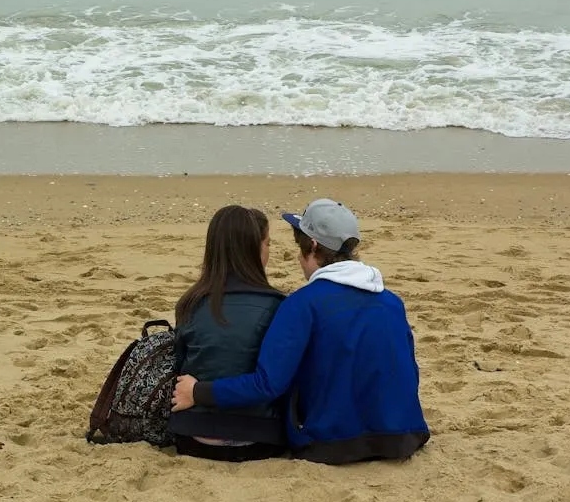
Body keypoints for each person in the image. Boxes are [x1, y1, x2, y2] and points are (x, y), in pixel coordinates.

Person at [171, 198, 430, 465]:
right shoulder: (392, 302)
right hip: (403, 437)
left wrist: (199, 392)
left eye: (299, 246)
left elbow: (269, 384)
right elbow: (410, 370)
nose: (297, 256)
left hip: (331, 444)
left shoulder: (302, 304)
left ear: (313, 246)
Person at [168, 205, 287, 462]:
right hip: (259, 440)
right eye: (267, 244)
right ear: (254, 249)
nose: (269, 251)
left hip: (194, 438)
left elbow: (180, 365)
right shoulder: (278, 305)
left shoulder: (189, 302)